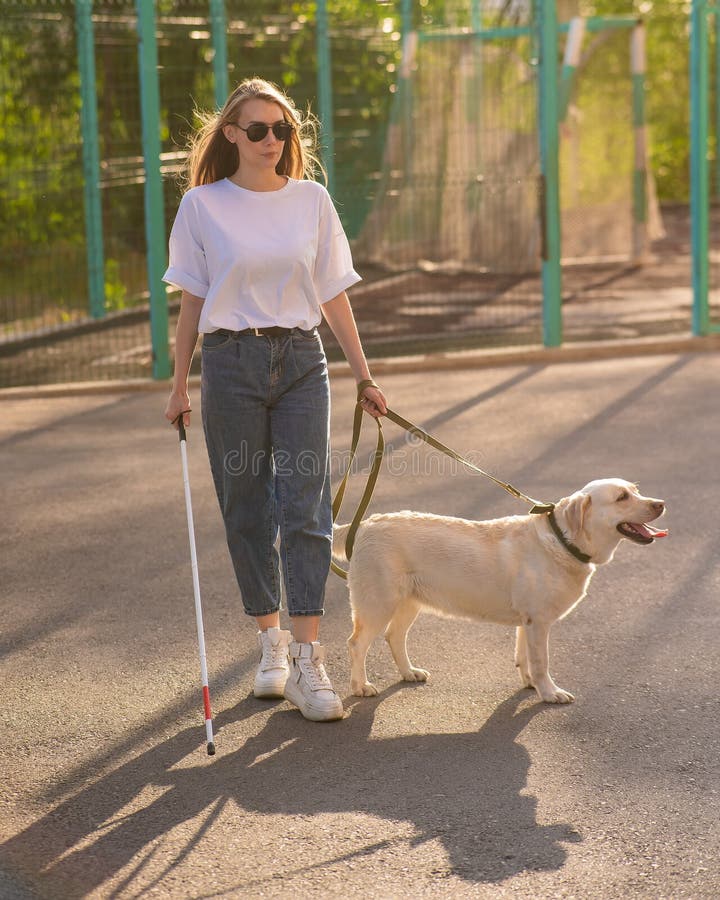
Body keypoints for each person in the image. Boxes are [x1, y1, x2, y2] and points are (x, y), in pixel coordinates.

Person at [163, 77, 387, 722]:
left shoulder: (311, 200)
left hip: (300, 359)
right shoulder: (202, 205)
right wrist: (179, 385)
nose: (271, 140)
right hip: (229, 362)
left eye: (282, 130)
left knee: (307, 505)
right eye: (257, 129)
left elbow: (333, 292)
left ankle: (311, 660)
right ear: (231, 133)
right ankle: (271, 646)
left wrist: (364, 376)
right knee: (246, 503)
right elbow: (192, 302)